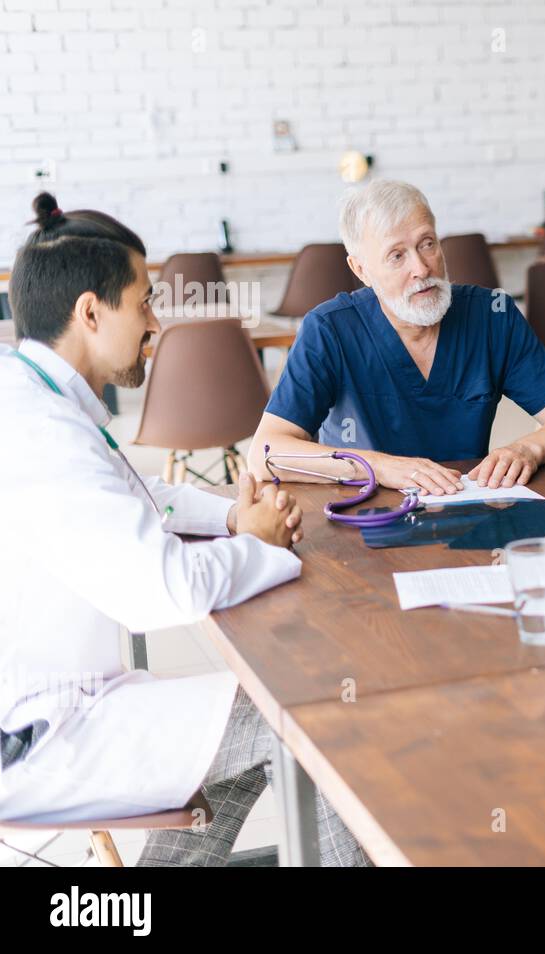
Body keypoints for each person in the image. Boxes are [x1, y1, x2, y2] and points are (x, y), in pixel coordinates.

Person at [0, 193, 369, 865]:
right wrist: (256, 544)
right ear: (90, 312)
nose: (156, 320)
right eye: (143, 302)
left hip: (61, 710)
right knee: (311, 720)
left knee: (250, 717)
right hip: (45, 740)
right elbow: (162, 589)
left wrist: (230, 513)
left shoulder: (30, 394)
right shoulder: (42, 433)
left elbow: (136, 496)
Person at [249, 179, 545, 495]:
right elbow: (265, 453)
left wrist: (527, 449)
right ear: (361, 270)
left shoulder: (493, 316)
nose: (421, 268)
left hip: (465, 507)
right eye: (396, 256)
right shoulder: (329, 330)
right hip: (362, 511)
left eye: (427, 244)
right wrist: (380, 467)